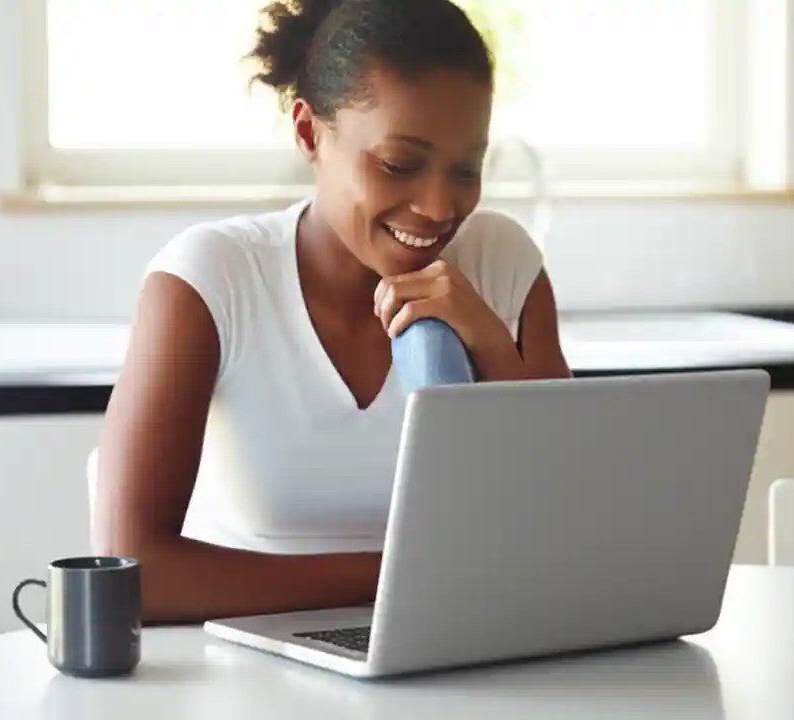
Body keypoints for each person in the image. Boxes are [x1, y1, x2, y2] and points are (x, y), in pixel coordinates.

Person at [95, 0, 571, 624]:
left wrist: (487, 339)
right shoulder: (210, 279)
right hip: (244, 671)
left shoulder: (502, 262)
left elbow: (567, 526)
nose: (437, 207)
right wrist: (400, 574)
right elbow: (131, 573)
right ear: (309, 132)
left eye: (465, 169)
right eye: (398, 165)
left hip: (460, 650)